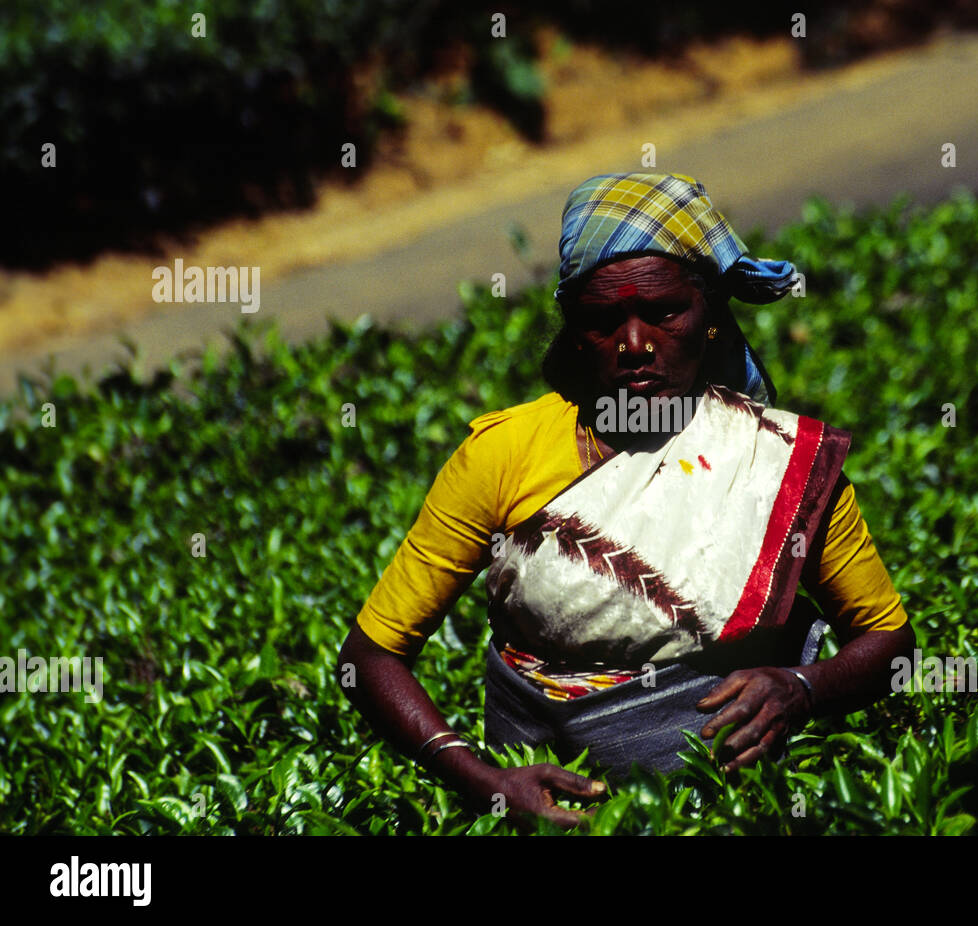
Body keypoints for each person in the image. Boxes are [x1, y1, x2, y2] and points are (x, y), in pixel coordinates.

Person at [337, 172, 914, 827]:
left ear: (714, 318)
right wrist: (482, 779)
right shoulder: (502, 455)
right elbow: (370, 655)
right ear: (576, 333)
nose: (635, 346)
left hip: (730, 810)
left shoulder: (780, 461)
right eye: (603, 320)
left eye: (665, 312)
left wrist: (800, 690)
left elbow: (891, 645)